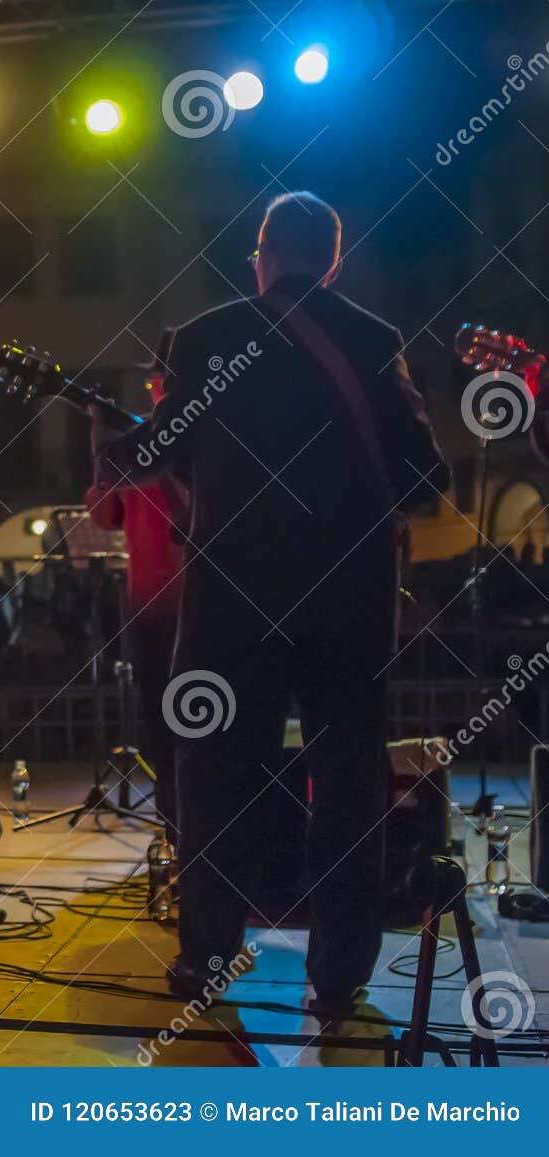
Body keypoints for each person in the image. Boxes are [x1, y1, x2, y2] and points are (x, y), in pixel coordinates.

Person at [91, 192, 449, 1014]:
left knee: (215, 775)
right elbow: (430, 479)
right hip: (348, 604)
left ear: (263, 255)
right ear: (329, 259)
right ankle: (340, 974)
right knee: (348, 781)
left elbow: (155, 449)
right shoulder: (372, 339)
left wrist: (111, 444)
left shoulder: (206, 337)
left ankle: (208, 958)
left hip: (232, 602)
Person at [84, 333, 188, 844]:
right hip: (149, 605)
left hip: (201, 603)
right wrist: (100, 446)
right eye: (153, 380)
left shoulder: (196, 440)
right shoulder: (138, 445)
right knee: (163, 734)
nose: (155, 388)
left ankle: (212, 850)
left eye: (161, 379)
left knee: (204, 734)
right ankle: (176, 844)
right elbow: (105, 515)